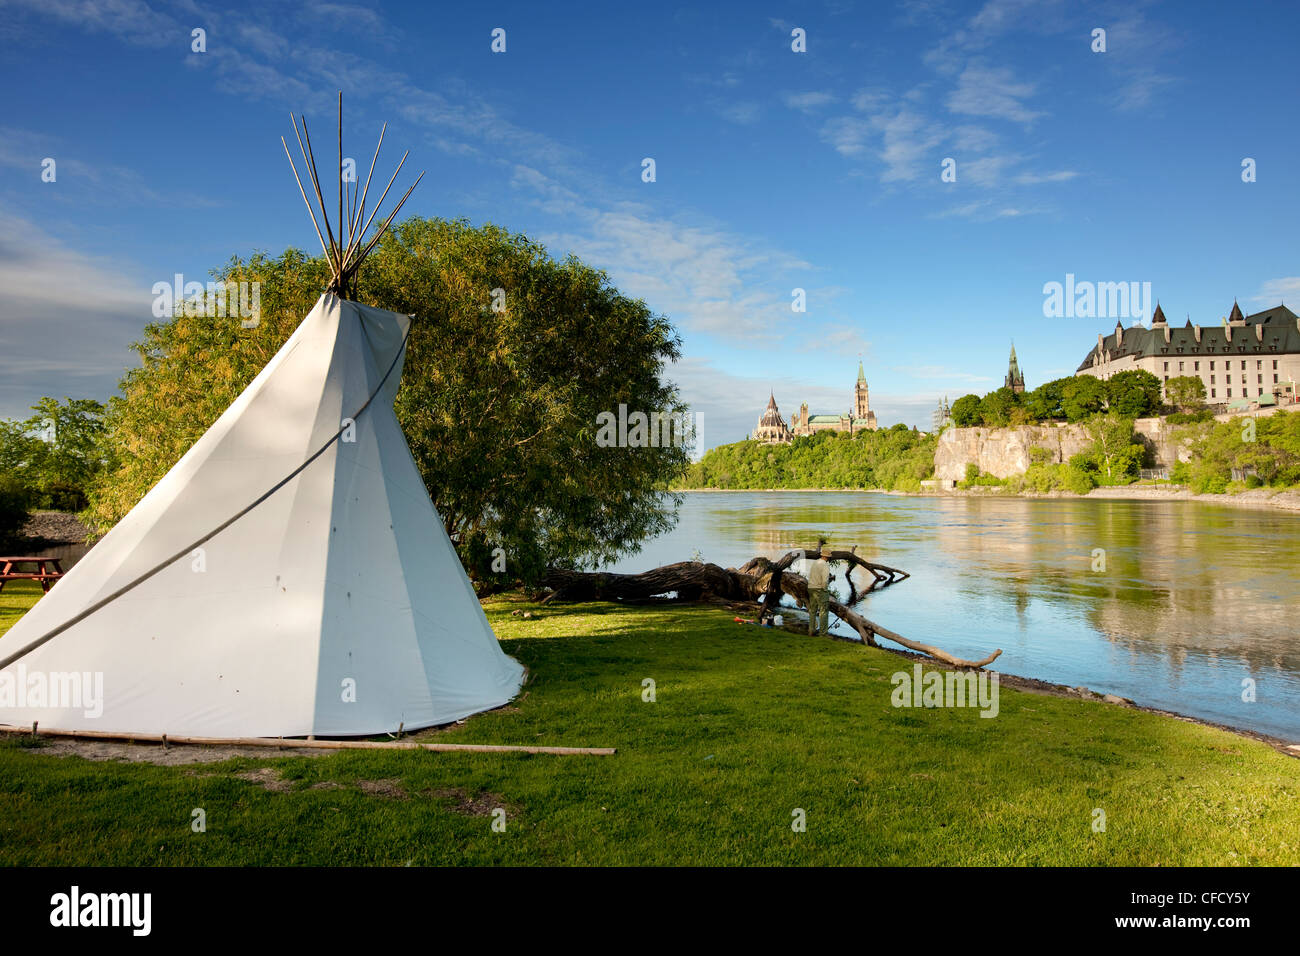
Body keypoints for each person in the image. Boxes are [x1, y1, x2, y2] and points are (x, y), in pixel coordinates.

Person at [806, 554, 831, 636]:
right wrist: (825, 589)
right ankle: (823, 633)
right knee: (823, 611)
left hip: (811, 587)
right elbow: (825, 580)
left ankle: (811, 630)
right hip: (819, 589)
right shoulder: (825, 565)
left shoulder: (815, 562)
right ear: (827, 557)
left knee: (813, 610)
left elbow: (810, 575)